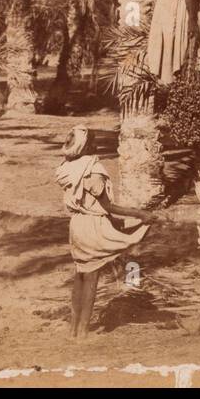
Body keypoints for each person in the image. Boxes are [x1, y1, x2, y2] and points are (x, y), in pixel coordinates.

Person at [56, 127, 160, 338]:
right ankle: (84, 331)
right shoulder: (92, 170)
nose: (96, 145)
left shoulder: (68, 167)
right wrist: (140, 214)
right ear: (87, 145)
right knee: (92, 277)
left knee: (80, 275)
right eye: (93, 142)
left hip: (76, 225)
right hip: (93, 224)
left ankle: (73, 329)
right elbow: (108, 207)